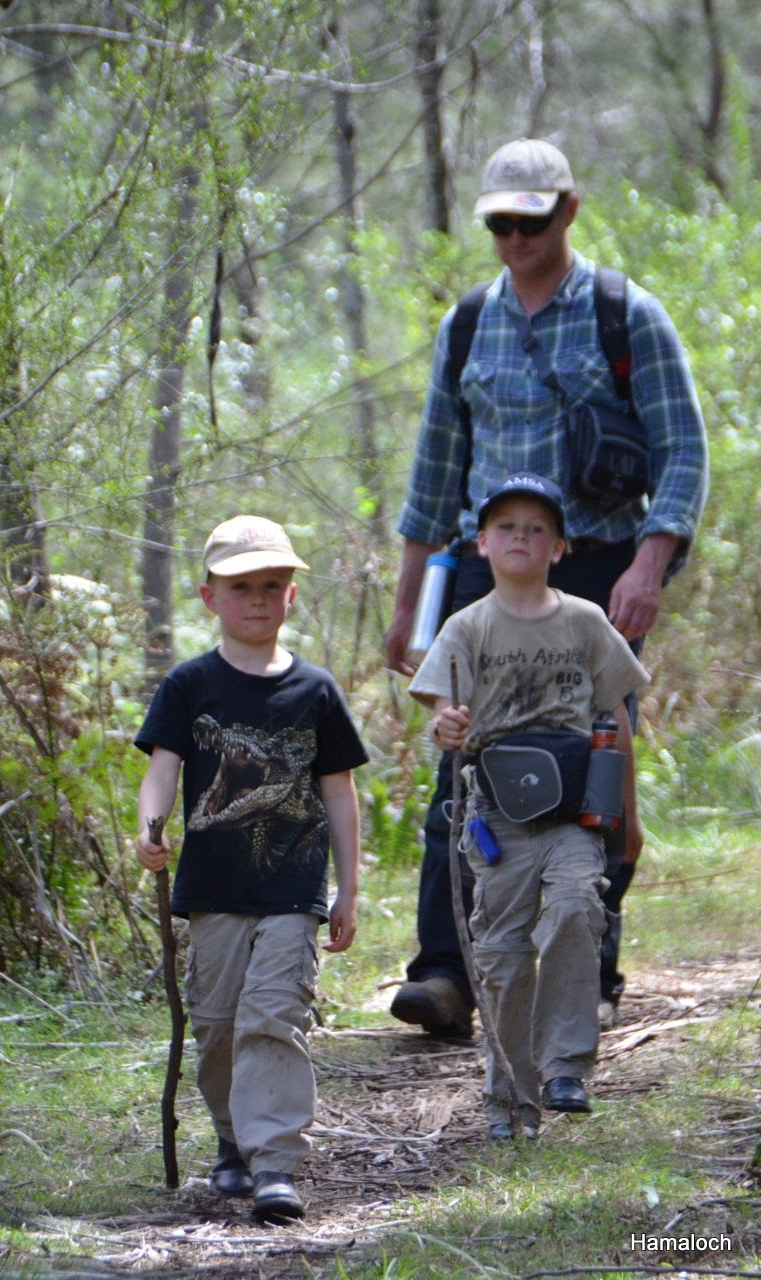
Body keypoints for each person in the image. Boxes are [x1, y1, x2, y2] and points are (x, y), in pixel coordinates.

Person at [387, 137, 708, 1038]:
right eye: (500, 223)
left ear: (567, 210)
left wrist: (649, 565)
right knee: (465, 758)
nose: (515, 238)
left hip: (600, 564)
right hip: (486, 570)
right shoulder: (468, 324)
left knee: (594, 762)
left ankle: (584, 971)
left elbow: (683, 449)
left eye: (531, 220)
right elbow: (434, 471)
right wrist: (411, 602)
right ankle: (447, 972)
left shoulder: (624, 315)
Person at [134, 515, 368, 1223]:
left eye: (273, 585)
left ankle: (274, 1164)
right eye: (241, 587)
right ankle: (233, 1142)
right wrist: (147, 828)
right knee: (218, 1025)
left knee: (273, 1014)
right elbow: (163, 769)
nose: (258, 600)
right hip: (212, 891)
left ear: (292, 596)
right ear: (210, 597)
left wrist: (348, 889)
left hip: (293, 890)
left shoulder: (315, 692)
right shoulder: (189, 685)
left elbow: (338, 792)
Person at [409, 473, 650, 1135]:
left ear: (561, 547)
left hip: (574, 812)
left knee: (577, 908)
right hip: (497, 818)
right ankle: (509, 1097)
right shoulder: (466, 626)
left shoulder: (585, 621)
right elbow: (441, 715)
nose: (521, 537)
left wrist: (629, 811)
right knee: (503, 953)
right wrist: (445, 729)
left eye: (537, 527)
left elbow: (615, 715)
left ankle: (565, 1065)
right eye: (507, 526)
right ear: (482, 543)